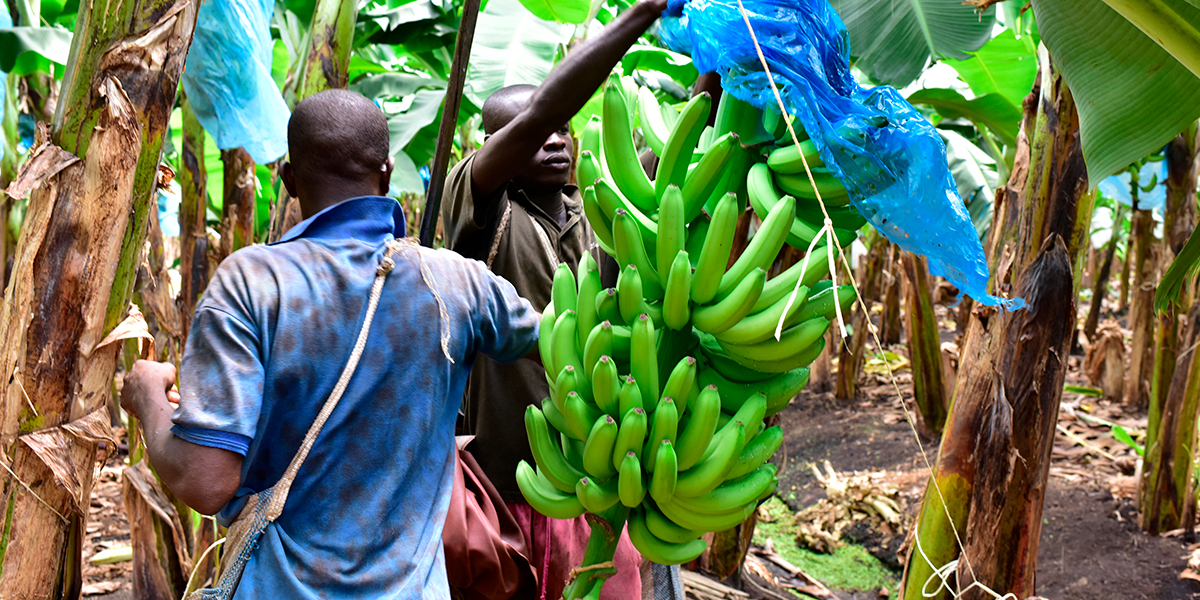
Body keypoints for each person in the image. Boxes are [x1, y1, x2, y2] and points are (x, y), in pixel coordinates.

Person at [120, 89, 541, 599]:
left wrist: (147, 398)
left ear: (290, 180)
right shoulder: (456, 281)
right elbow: (563, 343)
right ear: (386, 173)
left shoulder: (252, 284)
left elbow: (205, 482)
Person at [440, 1, 670, 598]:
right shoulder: (478, 211)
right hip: (505, 491)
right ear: (497, 146)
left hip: (598, 480)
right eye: (533, 137)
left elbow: (664, 171)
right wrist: (641, 13)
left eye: (564, 132)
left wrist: (717, 77)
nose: (556, 141)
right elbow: (541, 111)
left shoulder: (595, 215)